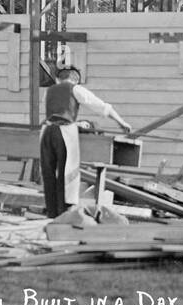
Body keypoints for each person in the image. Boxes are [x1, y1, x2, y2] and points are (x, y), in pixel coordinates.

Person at [39, 66, 132, 218]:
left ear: (58, 79)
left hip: (46, 131)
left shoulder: (49, 91)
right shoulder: (75, 89)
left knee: (48, 173)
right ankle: (64, 213)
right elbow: (100, 106)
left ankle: (52, 213)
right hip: (64, 131)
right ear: (75, 79)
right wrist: (121, 122)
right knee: (67, 173)